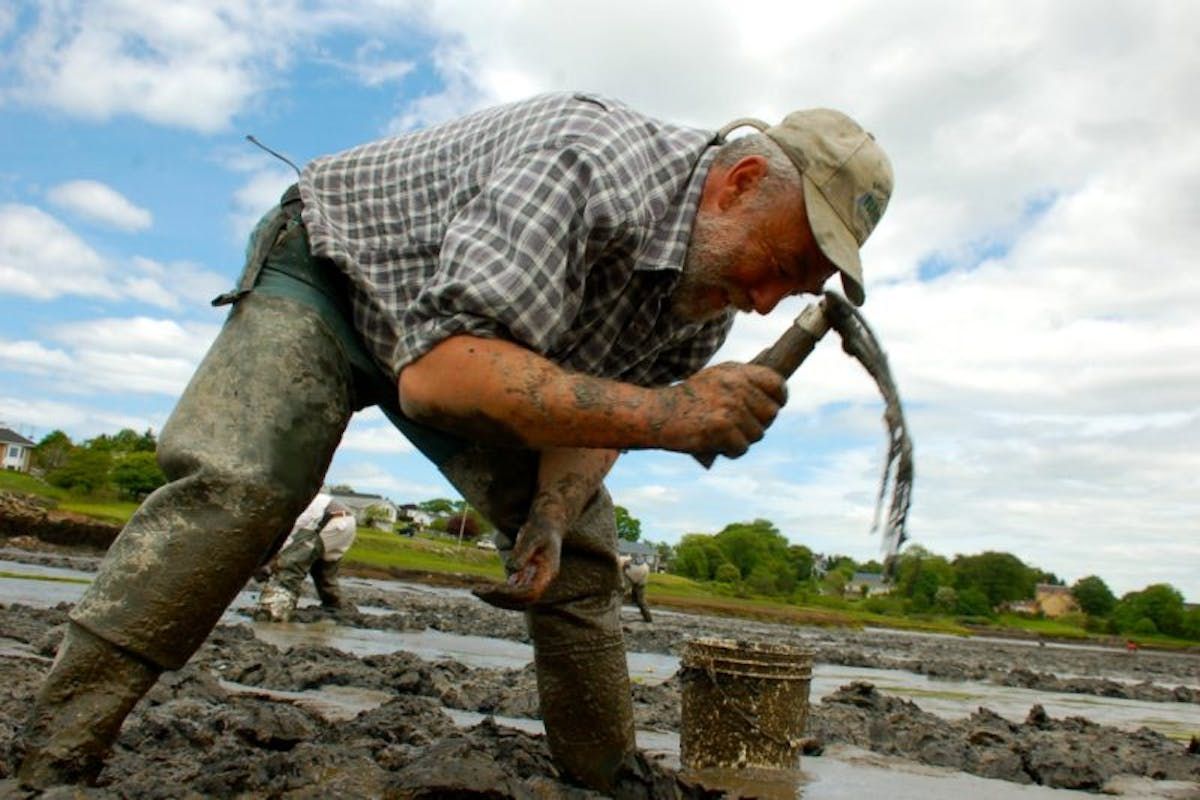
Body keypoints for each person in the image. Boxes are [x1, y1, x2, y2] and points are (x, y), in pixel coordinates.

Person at [16, 92, 892, 791]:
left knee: (586, 552)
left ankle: (605, 774)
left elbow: (594, 418)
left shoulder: (705, 298)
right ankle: (51, 752)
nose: (771, 303)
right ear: (738, 184)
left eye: (801, 287)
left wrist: (547, 513)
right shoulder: (582, 160)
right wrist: (677, 417)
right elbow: (437, 379)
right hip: (333, 275)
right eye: (781, 263)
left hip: (466, 342)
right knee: (245, 491)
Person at [254, 492, 358, 622]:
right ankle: (336, 607)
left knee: (289, 569)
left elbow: (290, 541)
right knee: (323, 573)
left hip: (329, 521)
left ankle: (273, 612)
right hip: (347, 524)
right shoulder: (299, 498)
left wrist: (271, 564)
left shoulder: (285, 510)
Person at [619, 554, 653, 623]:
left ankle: (617, 615)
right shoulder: (625, 558)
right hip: (645, 569)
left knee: (619, 595)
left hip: (632, 570)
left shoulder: (618, 560)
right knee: (641, 599)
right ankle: (648, 618)